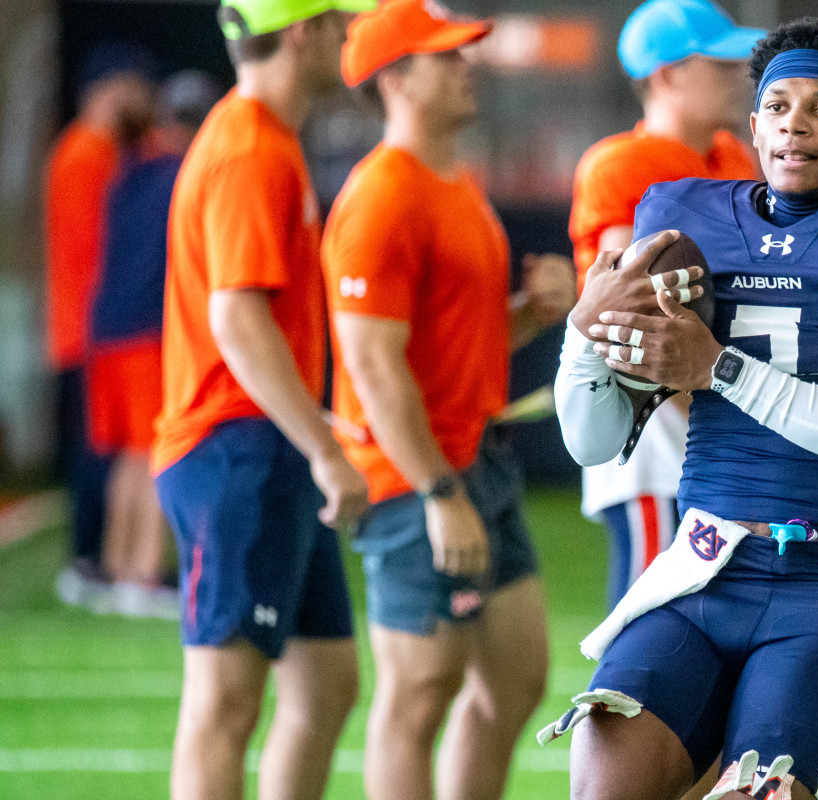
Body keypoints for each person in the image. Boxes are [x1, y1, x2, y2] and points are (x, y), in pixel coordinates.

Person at [546, 18, 818, 800]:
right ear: (752, 124)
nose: (795, 121)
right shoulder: (684, 222)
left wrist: (718, 368)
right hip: (698, 567)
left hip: (817, 579)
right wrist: (584, 338)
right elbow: (592, 440)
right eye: (778, 104)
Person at [324, 2, 576, 798]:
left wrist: (531, 316)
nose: (466, 67)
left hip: (478, 461)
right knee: (418, 694)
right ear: (396, 79)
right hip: (415, 482)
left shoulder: (452, 185)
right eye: (446, 58)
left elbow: (453, 348)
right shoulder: (382, 196)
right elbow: (372, 365)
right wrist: (438, 492)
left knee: (515, 681)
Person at [152, 3, 374, 799]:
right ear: (306, 32)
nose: (351, 39)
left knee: (326, 684)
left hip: (257, 445)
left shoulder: (259, 137)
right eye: (340, 23)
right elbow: (236, 317)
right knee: (225, 701)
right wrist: (321, 446)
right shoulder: (252, 149)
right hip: (235, 449)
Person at [569, 0, 763, 611]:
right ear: (667, 74)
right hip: (650, 415)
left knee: (707, 615)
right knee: (646, 618)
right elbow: (633, 312)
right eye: (721, 63)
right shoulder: (623, 164)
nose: (740, 75)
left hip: (717, 403)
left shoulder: (734, 157)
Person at [87, 70, 223, 620]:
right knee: (150, 450)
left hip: (109, 327)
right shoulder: (181, 175)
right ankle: (144, 574)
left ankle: (118, 567)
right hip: (146, 327)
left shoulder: (127, 172)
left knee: (128, 452)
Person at [44, 41, 156, 609]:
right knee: (101, 454)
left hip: (97, 326)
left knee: (112, 452)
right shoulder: (87, 153)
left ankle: (99, 563)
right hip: (92, 329)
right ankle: (88, 561)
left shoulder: (105, 150)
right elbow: (99, 248)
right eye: (132, 87)